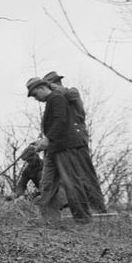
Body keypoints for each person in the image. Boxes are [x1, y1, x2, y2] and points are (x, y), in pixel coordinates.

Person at [26, 76, 106, 224]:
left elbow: (60, 120)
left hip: (65, 147)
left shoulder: (56, 98)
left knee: (71, 183)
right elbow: (55, 125)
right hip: (53, 149)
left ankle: (83, 219)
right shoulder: (51, 101)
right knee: (47, 183)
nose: (36, 99)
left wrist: (48, 139)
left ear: (41, 88)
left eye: (35, 95)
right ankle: (49, 219)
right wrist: (41, 143)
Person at [41, 71, 89, 144]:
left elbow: (69, 95)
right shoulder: (54, 101)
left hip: (77, 137)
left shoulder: (72, 92)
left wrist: (56, 90)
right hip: (64, 140)